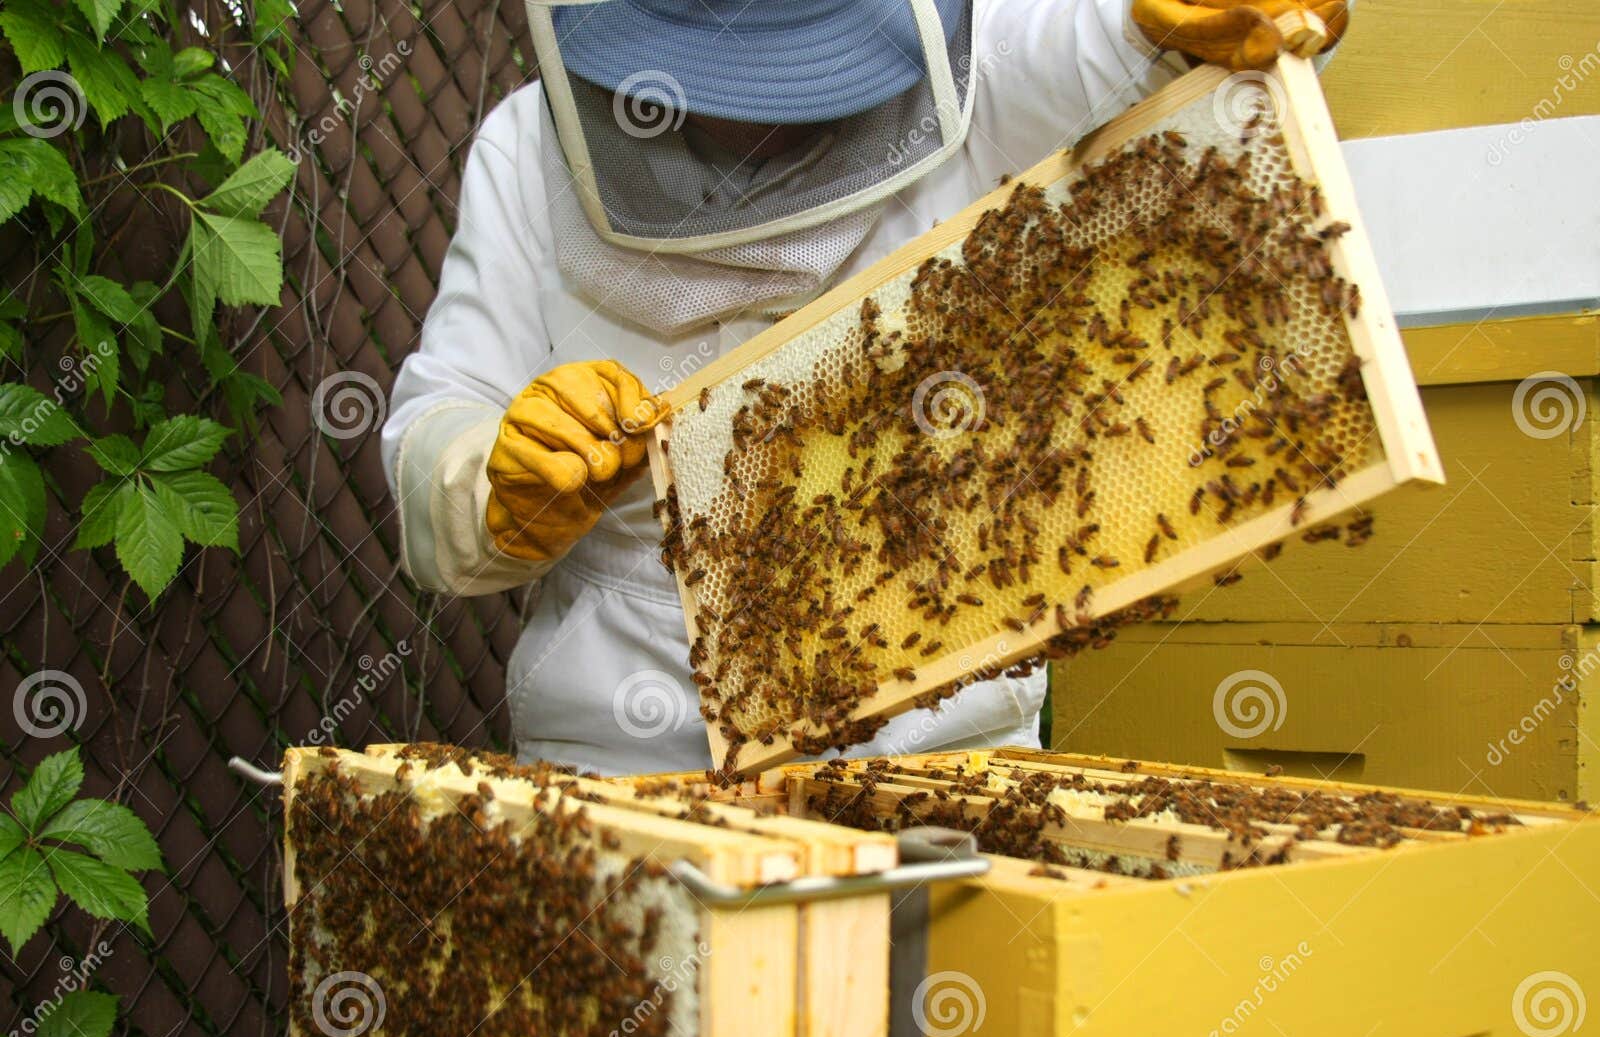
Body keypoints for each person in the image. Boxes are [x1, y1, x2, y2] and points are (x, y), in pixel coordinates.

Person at [381, 0, 1349, 774]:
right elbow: (445, 401)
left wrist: (1197, 27)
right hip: (625, 748)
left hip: (945, 750)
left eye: (800, 65)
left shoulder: (994, 58)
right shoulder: (529, 143)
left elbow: (1143, 50)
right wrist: (491, 478)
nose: (755, 115)